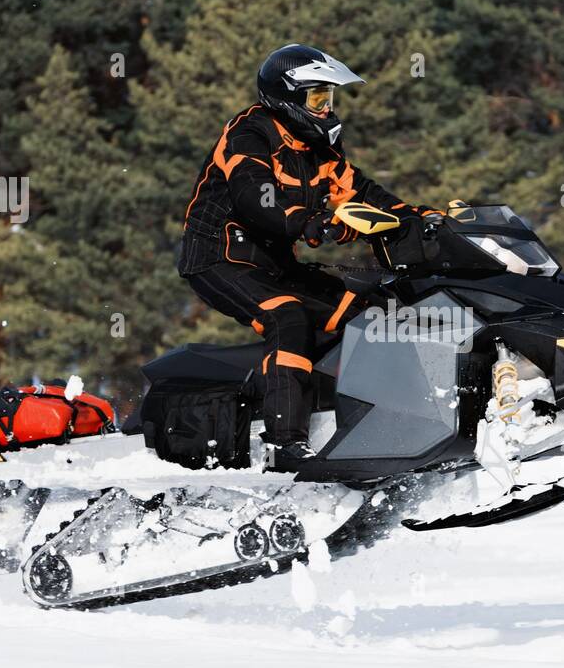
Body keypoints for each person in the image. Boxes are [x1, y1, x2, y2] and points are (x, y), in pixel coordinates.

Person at [178, 44, 440, 471]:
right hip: (218, 259)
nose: (326, 107)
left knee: (375, 314)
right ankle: (285, 447)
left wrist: (423, 216)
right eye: (318, 97)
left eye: (329, 98)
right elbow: (253, 196)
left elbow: (365, 192)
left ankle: (397, 427)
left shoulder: (317, 148)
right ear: (288, 97)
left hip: (275, 266)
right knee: (288, 317)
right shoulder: (249, 132)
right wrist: (308, 221)